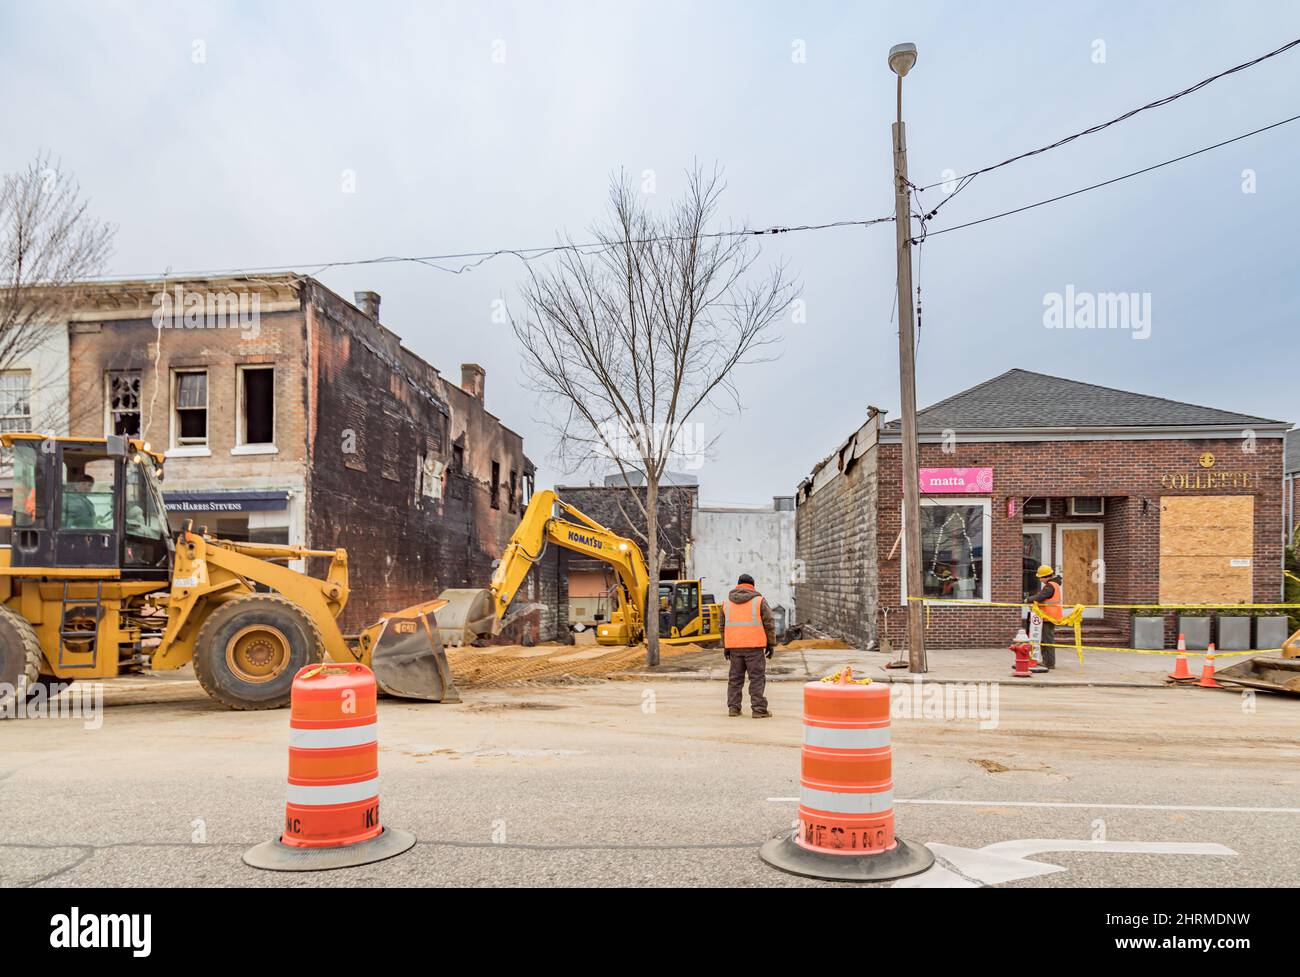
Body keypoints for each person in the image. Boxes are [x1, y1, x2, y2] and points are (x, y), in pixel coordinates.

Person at [720, 573, 777, 718]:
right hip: (754, 647)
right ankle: (758, 710)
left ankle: (733, 708)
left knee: (735, 679)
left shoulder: (726, 603)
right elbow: (769, 623)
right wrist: (771, 644)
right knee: (757, 678)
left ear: (738, 584)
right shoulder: (759, 601)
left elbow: (722, 627)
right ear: (753, 586)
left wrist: (726, 646)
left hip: (734, 648)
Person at [1025, 564, 1064, 670]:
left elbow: (1041, 596)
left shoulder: (1050, 586)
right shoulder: (1053, 584)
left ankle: (1049, 663)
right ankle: (1047, 661)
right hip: (1049, 616)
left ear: (1046, 576)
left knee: (1047, 640)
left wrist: (1028, 599)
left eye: (1041, 577)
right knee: (1045, 639)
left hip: (1049, 616)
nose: (1040, 579)